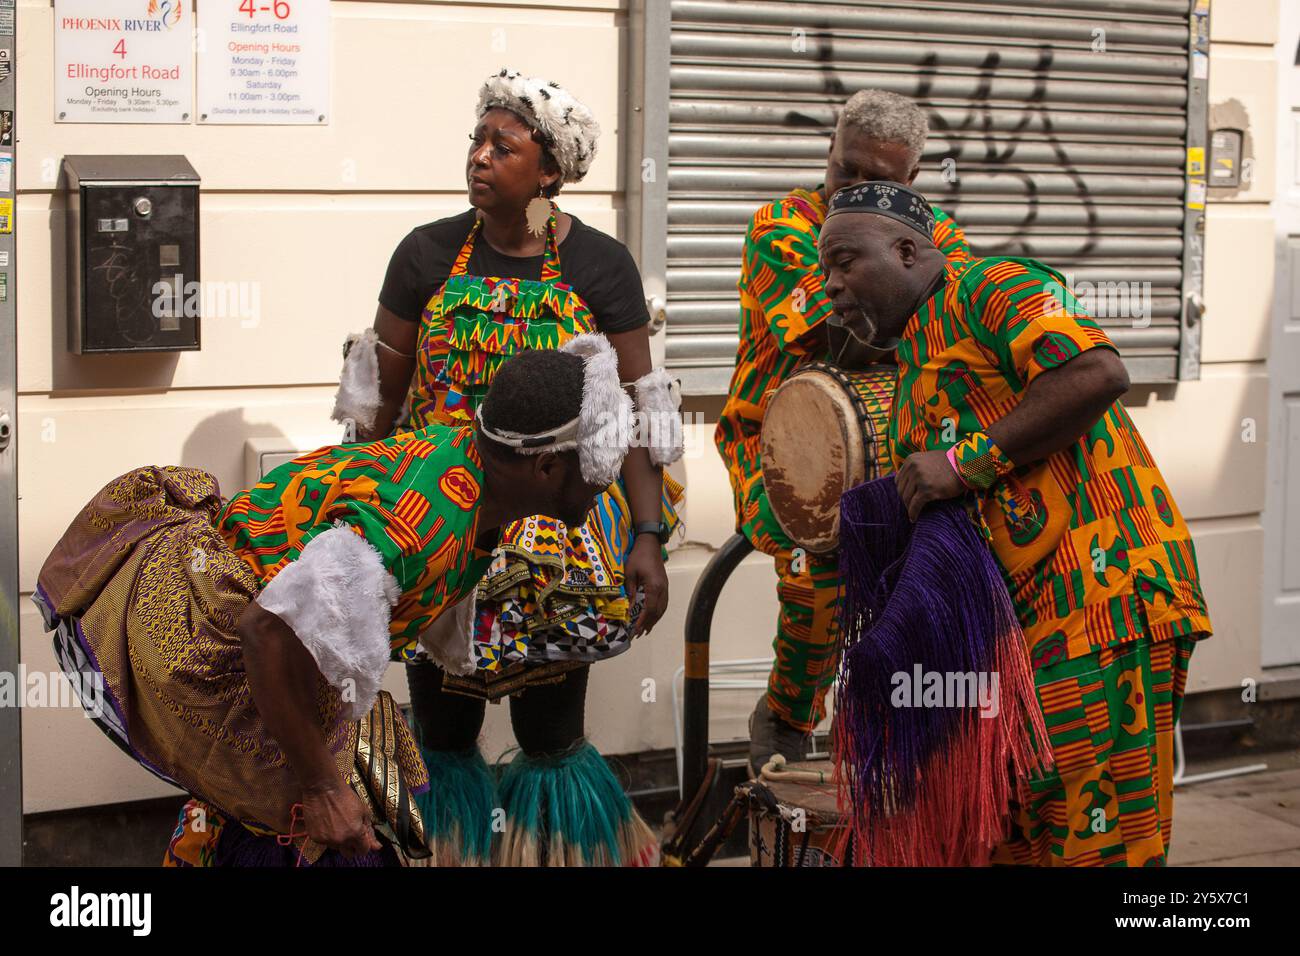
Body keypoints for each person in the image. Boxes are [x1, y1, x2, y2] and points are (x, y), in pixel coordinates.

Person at [32, 345, 627, 867]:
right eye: (599, 465)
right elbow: (264, 631)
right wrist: (320, 787)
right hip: (207, 632)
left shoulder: (466, 458)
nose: (609, 482)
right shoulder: (417, 534)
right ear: (546, 466)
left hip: (257, 628)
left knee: (312, 799)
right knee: (307, 823)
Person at [333, 69, 682, 866]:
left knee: (551, 734)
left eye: (503, 145)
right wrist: (356, 518)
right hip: (441, 524)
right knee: (443, 732)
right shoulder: (423, 255)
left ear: (550, 172)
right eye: (476, 142)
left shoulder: (600, 267)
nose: (480, 158)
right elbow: (377, 406)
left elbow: (637, 408)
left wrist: (651, 536)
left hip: (559, 533)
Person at [818, 180, 1213, 866]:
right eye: (825, 270)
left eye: (844, 261)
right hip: (1020, 634)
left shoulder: (992, 285)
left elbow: (1097, 372)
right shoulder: (913, 358)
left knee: (1096, 849)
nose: (830, 286)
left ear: (909, 250)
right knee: (1013, 839)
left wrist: (964, 462)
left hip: (1101, 606)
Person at [713, 89, 970, 772]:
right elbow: (840, 328)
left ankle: (904, 755)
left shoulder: (941, 232)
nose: (852, 190)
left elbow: (958, 326)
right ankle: (787, 723)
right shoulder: (782, 226)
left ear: (911, 180)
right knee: (816, 581)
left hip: (899, 441)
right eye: (844, 171)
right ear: (829, 151)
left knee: (931, 584)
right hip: (783, 447)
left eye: (876, 180)